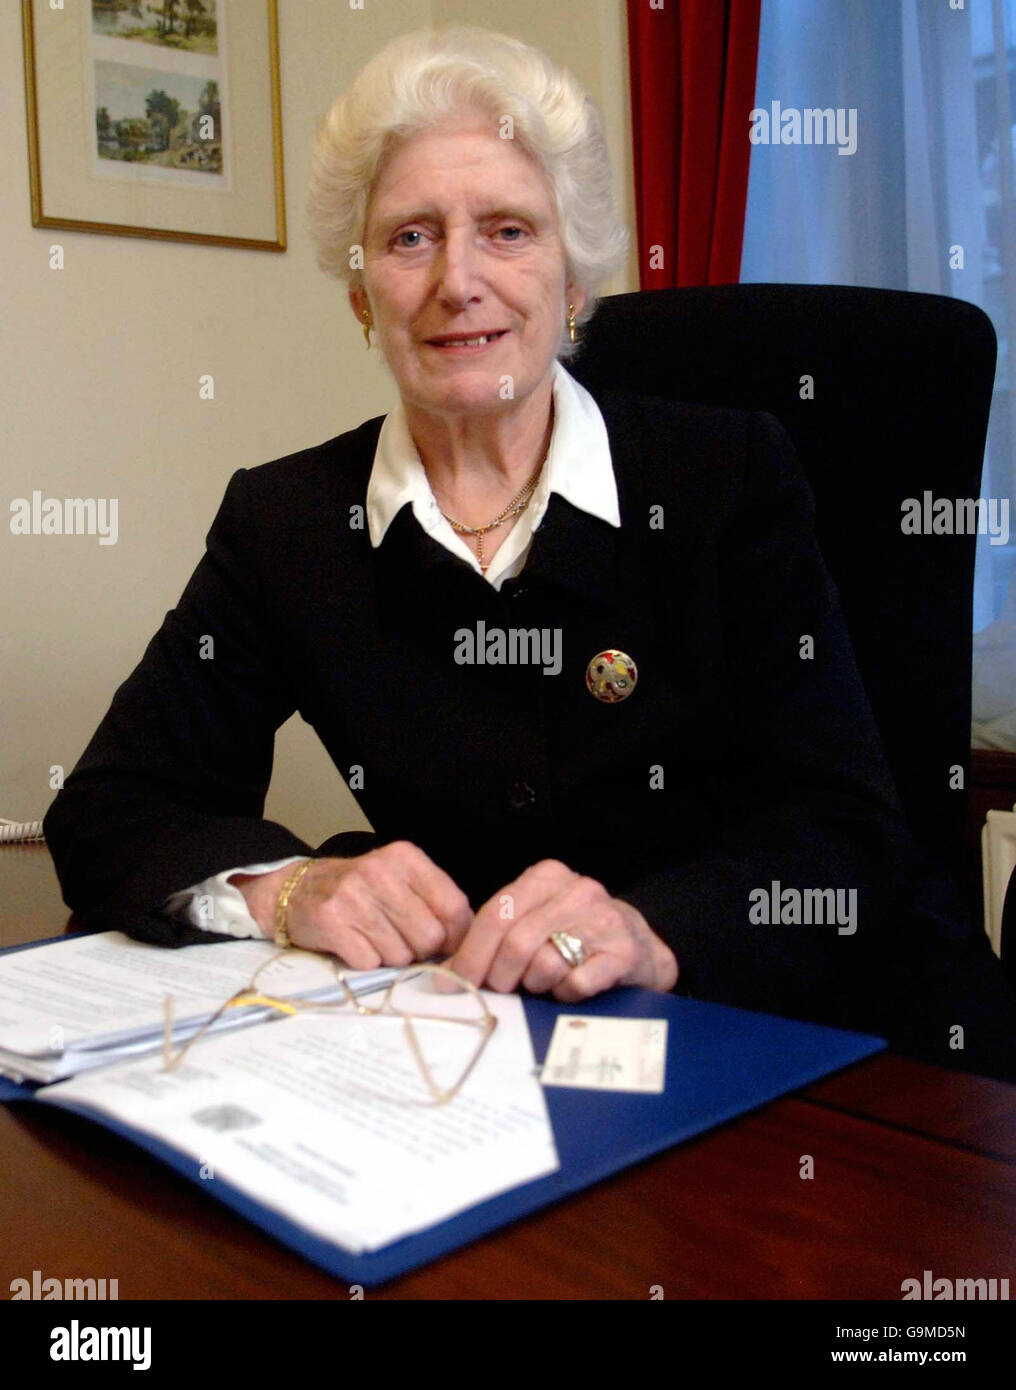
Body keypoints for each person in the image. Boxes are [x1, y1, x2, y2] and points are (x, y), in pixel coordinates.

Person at [43, 27, 1016, 1077]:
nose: (458, 280)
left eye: (506, 230)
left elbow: (846, 833)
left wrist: (653, 930)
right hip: (505, 1061)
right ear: (362, 293)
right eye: (410, 237)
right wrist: (286, 889)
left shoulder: (725, 474)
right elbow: (107, 808)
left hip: (815, 1041)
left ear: (574, 285)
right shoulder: (287, 521)